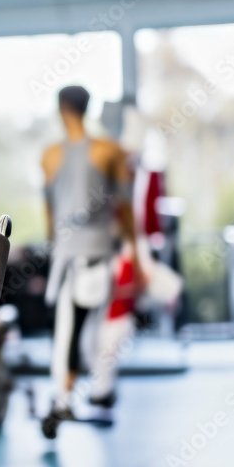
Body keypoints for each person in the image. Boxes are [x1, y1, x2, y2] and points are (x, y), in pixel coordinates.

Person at [40, 85, 141, 436]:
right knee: (90, 329)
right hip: (98, 252)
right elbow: (126, 209)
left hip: (72, 255)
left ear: (61, 108)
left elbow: (50, 214)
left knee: (74, 331)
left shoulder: (49, 156)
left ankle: (68, 398)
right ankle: (81, 395)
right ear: (88, 107)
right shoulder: (110, 151)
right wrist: (136, 252)